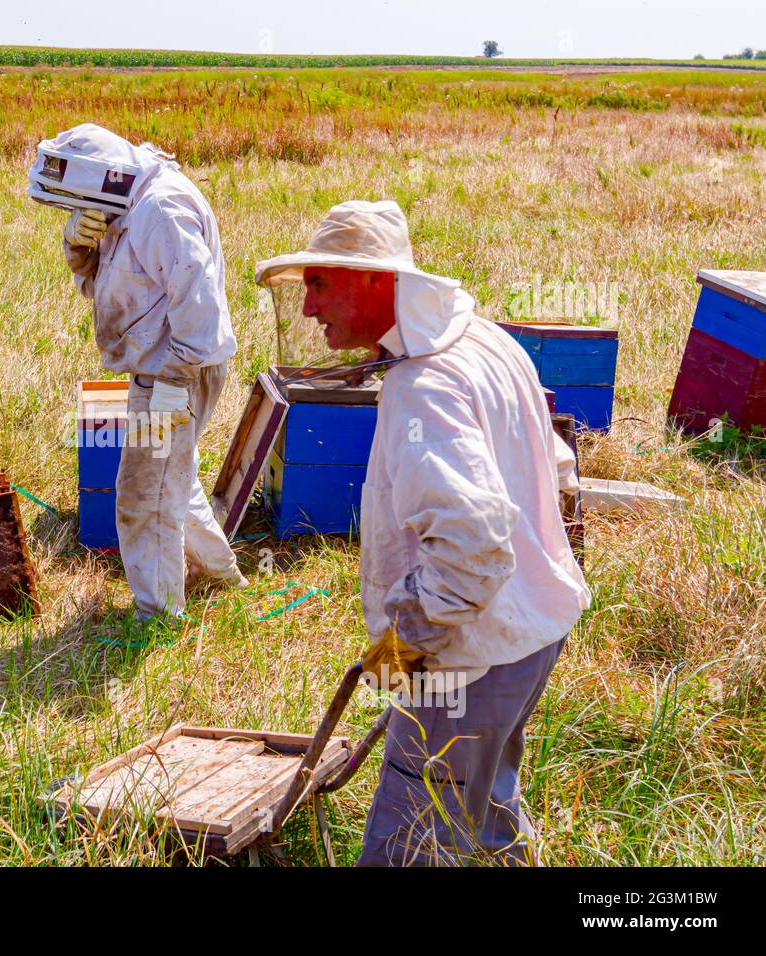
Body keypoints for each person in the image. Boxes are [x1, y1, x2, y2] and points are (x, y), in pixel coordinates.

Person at [255, 200, 591, 865]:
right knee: (486, 815)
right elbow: (557, 470)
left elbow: (474, 546)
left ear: (376, 280)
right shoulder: (484, 340)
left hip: (467, 664)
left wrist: (400, 654)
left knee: (409, 844)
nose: (307, 308)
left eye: (320, 284)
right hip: (532, 635)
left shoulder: (425, 386)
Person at [30, 124, 246, 619]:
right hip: (160, 371)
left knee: (143, 498)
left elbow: (201, 310)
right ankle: (221, 573)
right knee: (172, 477)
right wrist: (79, 248)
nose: (80, 214)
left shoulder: (161, 211)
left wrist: (172, 385)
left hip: (177, 373)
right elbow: (108, 288)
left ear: (105, 179)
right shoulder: (126, 200)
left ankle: (159, 616)